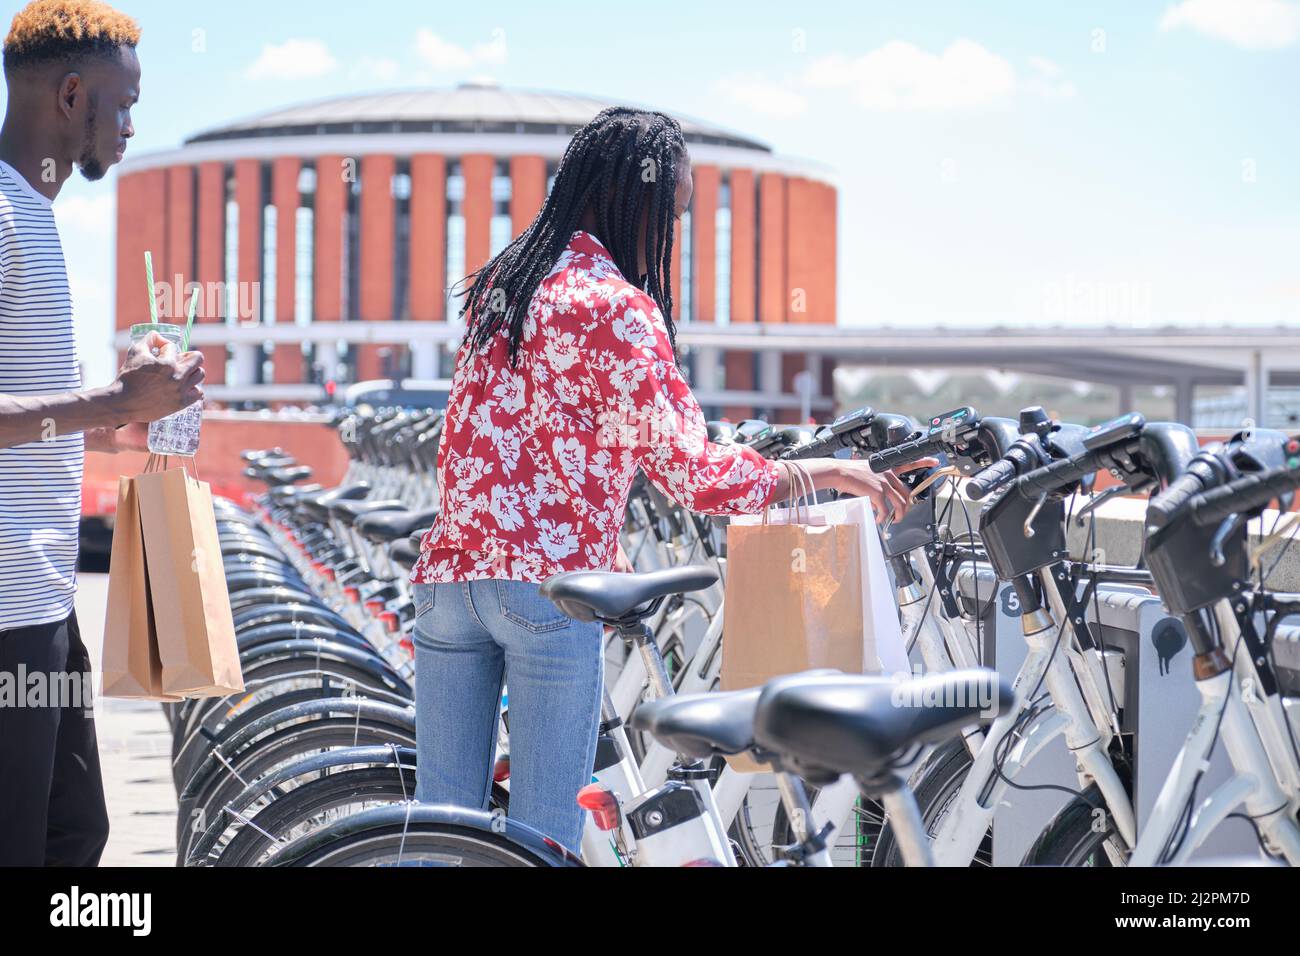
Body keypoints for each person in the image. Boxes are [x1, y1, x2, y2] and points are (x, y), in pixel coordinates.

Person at [410, 107, 929, 854]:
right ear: (637, 200)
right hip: (547, 590)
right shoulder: (617, 307)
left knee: (442, 838)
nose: (671, 235)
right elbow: (694, 476)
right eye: (673, 212)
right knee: (539, 842)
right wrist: (827, 471)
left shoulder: (506, 282)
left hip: (452, 580)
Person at [0, 0, 205, 867]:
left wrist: (131, 422)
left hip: (43, 601)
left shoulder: (37, 218)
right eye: (123, 105)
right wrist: (113, 401)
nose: (130, 127)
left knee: (75, 837)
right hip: (8, 613)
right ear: (73, 95)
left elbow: (28, 419)